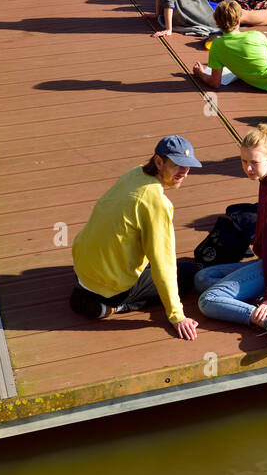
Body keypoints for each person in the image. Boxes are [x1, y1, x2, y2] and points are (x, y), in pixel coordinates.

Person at [69, 135, 200, 340]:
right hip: (110, 288)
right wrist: (177, 316)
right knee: (186, 273)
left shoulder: (134, 174)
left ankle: (95, 291)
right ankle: (114, 306)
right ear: (158, 161)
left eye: (188, 167)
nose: (184, 173)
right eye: (177, 165)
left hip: (82, 269)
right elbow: (162, 263)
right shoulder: (156, 203)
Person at [194, 125, 267, 350]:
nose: (248, 168)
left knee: (208, 301)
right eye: (243, 161)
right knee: (201, 278)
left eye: (254, 162)